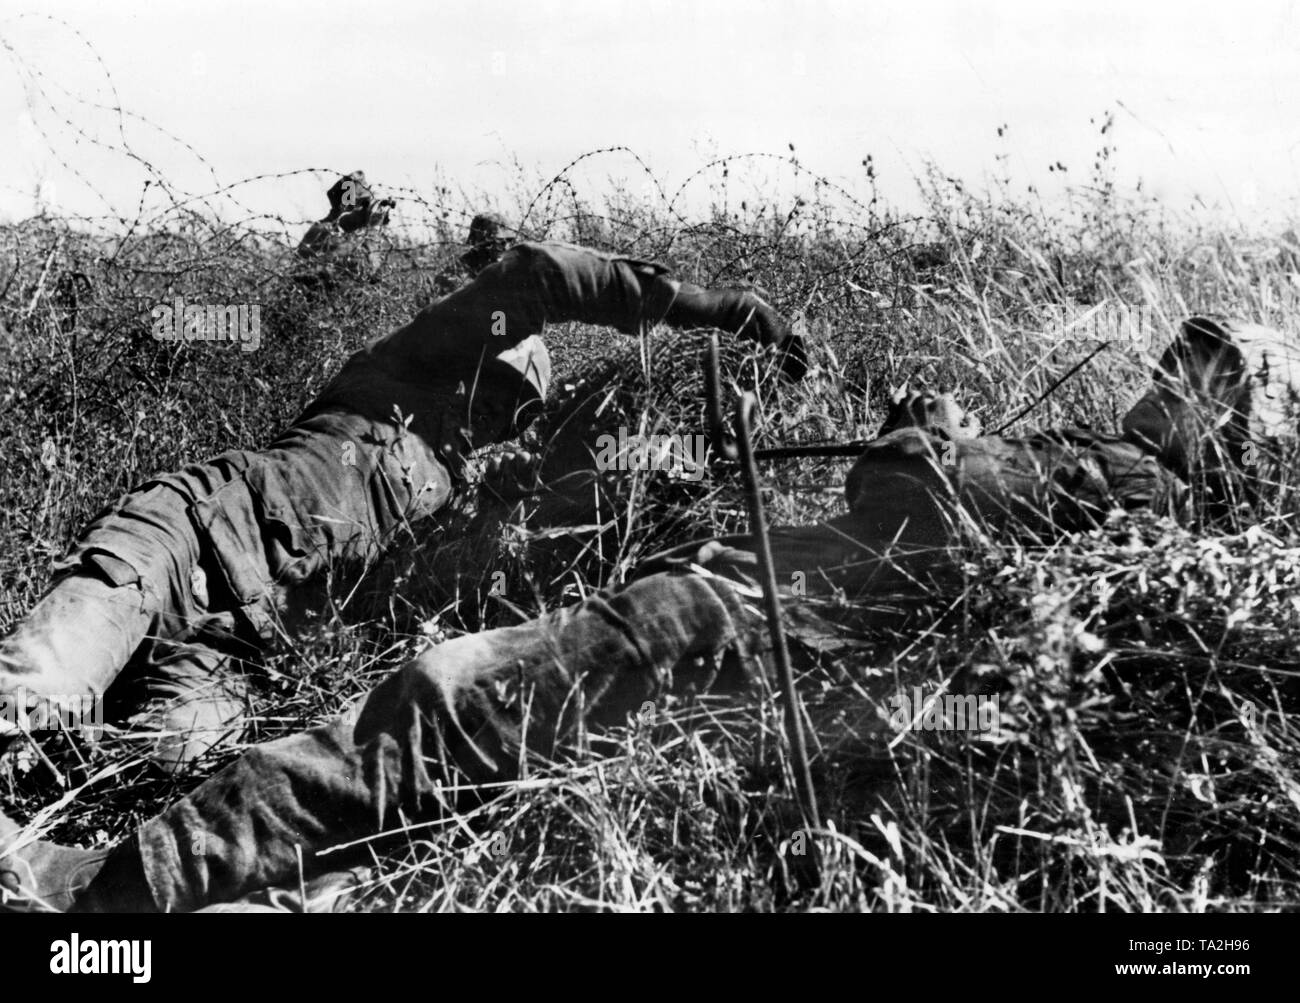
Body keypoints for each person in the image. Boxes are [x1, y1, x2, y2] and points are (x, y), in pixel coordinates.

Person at [1, 314, 1288, 913]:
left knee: (433, 714)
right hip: (780, 659)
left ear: (1224, 422)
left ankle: (97, 896)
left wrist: (924, 430)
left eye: (1196, 377)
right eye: (1178, 361)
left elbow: (915, 495)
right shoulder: (1150, 516)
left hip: (734, 620)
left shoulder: (1124, 480)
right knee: (443, 800)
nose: (1164, 382)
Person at [0, 237, 806, 772]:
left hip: (232, 648)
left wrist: (678, 472)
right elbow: (539, 276)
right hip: (180, 539)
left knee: (158, 767)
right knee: (26, 695)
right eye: (497, 395)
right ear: (475, 369)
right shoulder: (396, 375)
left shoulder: (456, 503)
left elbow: (561, 529)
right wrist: (719, 309)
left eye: (514, 416)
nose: (495, 421)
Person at [293, 171, 396, 290]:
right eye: (364, 205)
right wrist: (373, 227)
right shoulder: (328, 232)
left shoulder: (324, 228)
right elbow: (369, 272)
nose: (365, 210)